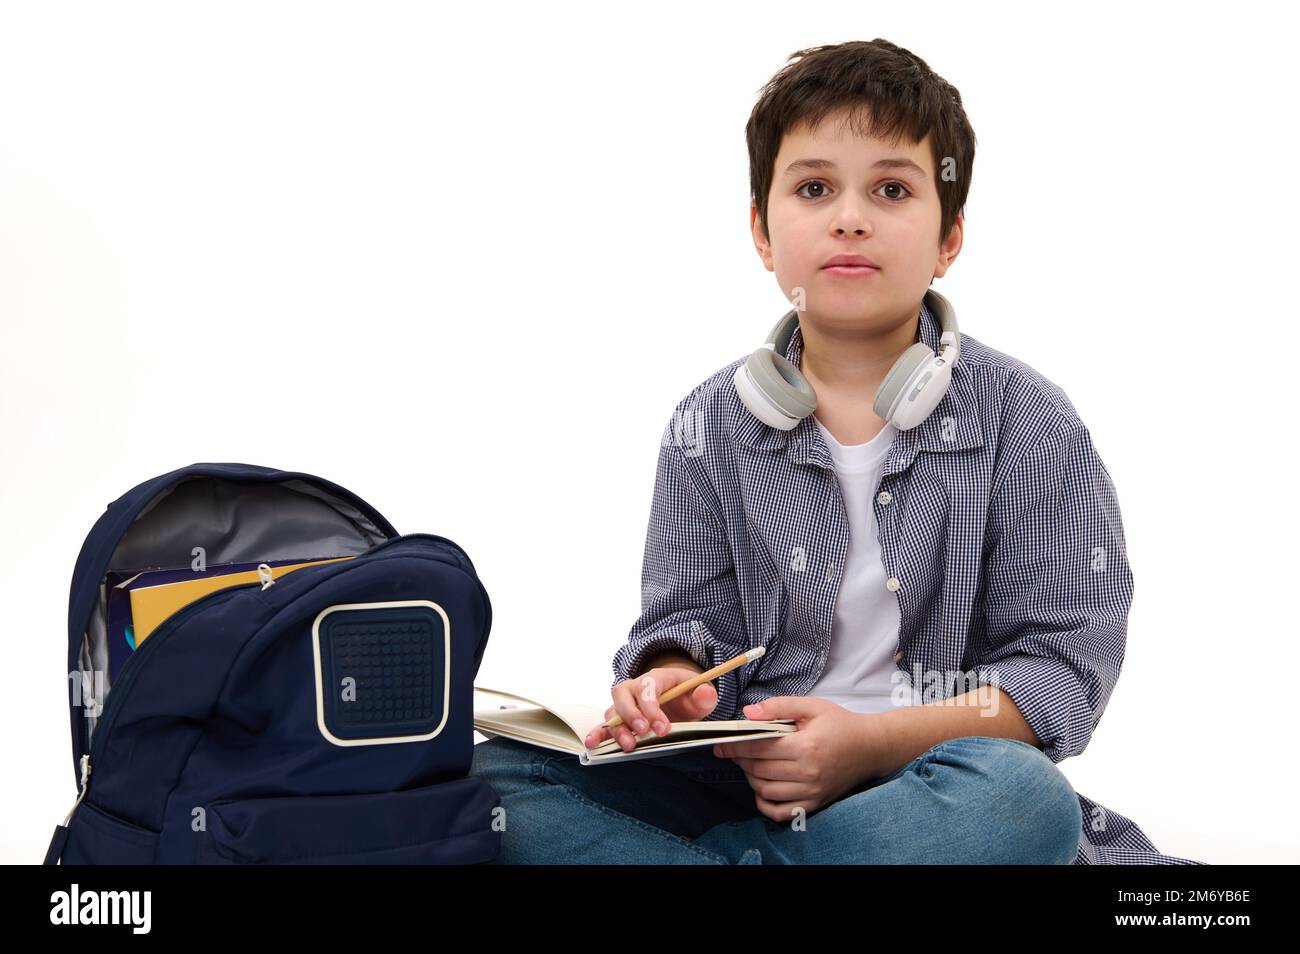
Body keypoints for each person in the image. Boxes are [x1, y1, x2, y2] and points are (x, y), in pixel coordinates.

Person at [470, 38, 1203, 865]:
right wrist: (670, 681)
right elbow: (685, 620)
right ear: (761, 229)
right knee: (484, 776)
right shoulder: (707, 424)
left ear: (949, 234)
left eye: (891, 189)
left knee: (1022, 800)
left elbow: (1062, 675)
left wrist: (865, 743)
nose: (850, 216)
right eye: (814, 187)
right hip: (742, 772)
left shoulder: (1031, 422)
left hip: (926, 777)